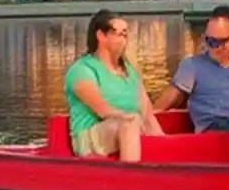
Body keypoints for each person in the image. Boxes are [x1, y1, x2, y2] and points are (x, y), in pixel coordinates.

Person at [64, 10, 164, 161]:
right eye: (119, 34)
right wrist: (132, 119)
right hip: (89, 138)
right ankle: (130, 180)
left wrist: (163, 140)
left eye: (126, 34)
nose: (124, 39)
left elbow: (148, 114)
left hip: (127, 128)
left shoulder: (131, 70)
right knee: (128, 125)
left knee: (138, 125)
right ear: (101, 36)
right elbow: (103, 110)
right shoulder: (82, 69)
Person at [154, 5, 229, 132]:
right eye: (209, 41)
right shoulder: (192, 66)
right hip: (212, 131)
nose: (213, 47)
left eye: (220, 42)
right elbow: (166, 102)